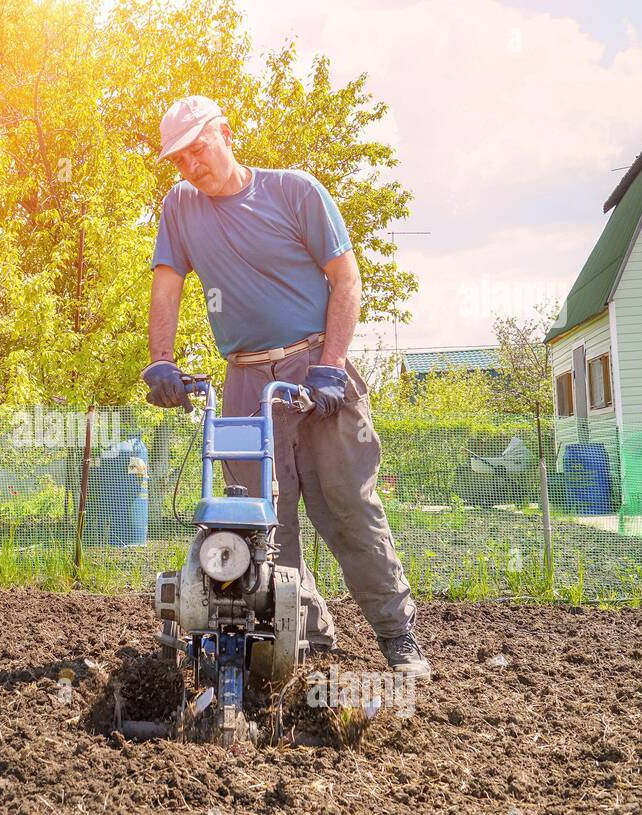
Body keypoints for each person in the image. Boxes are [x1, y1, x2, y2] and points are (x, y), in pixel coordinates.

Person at [142, 95, 430, 679]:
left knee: (349, 506)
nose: (192, 164)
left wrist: (331, 363)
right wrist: (161, 361)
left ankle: (398, 638)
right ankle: (304, 633)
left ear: (225, 132)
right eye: (179, 158)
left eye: (199, 147)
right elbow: (166, 286)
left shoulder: (296, 191)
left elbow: (346, 279)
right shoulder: (181, 207)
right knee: (262, 520)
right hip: (246, 380)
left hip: (316, 366)